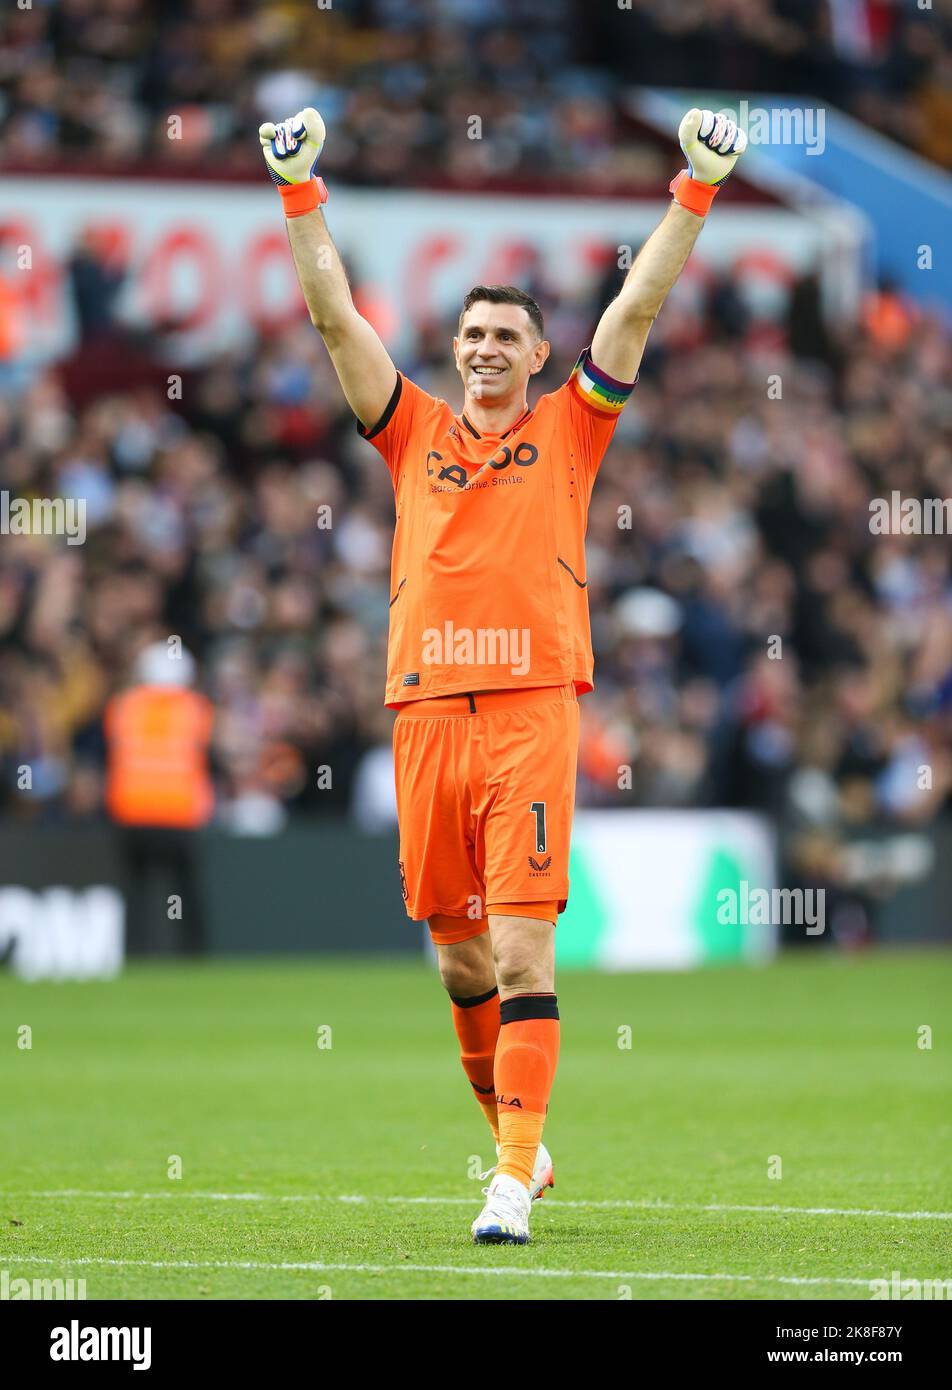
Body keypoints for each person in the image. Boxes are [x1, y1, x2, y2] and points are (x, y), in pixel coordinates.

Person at [259, 105, 747, 1243]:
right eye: (470, 334)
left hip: (529, 711)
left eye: (504, 337)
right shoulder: (410, 429)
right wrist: (298, 192)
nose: (482, 349)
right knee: (457, 954)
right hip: (425, 714)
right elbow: (334, 320)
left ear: (536, 355)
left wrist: (696, 187)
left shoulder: (575, 429)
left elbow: (637, 308)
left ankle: (511, 1177)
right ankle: (517, 1148)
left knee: (524, 943)